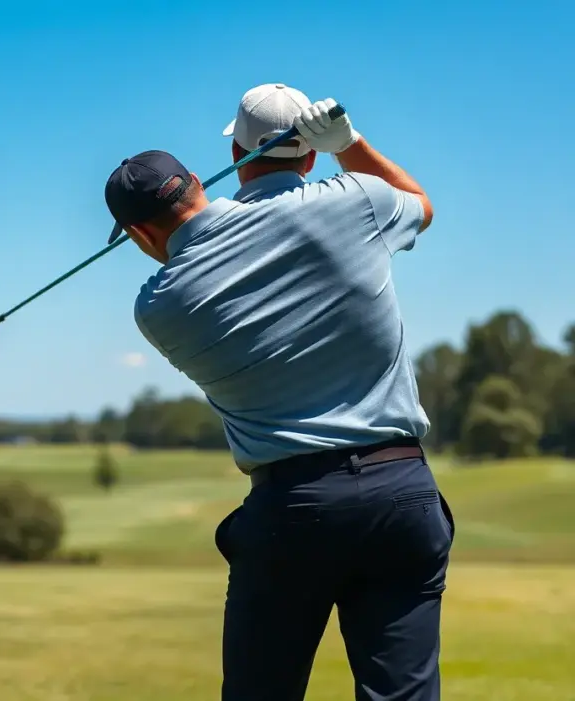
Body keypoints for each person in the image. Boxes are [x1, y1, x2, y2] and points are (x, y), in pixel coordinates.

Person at [102, 83, 454, 701]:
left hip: (291, 514)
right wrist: (352, 146)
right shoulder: (354, 202)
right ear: (198, 180)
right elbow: (419, 205)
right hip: (402, 495)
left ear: (137, 236)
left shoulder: (159, 307)